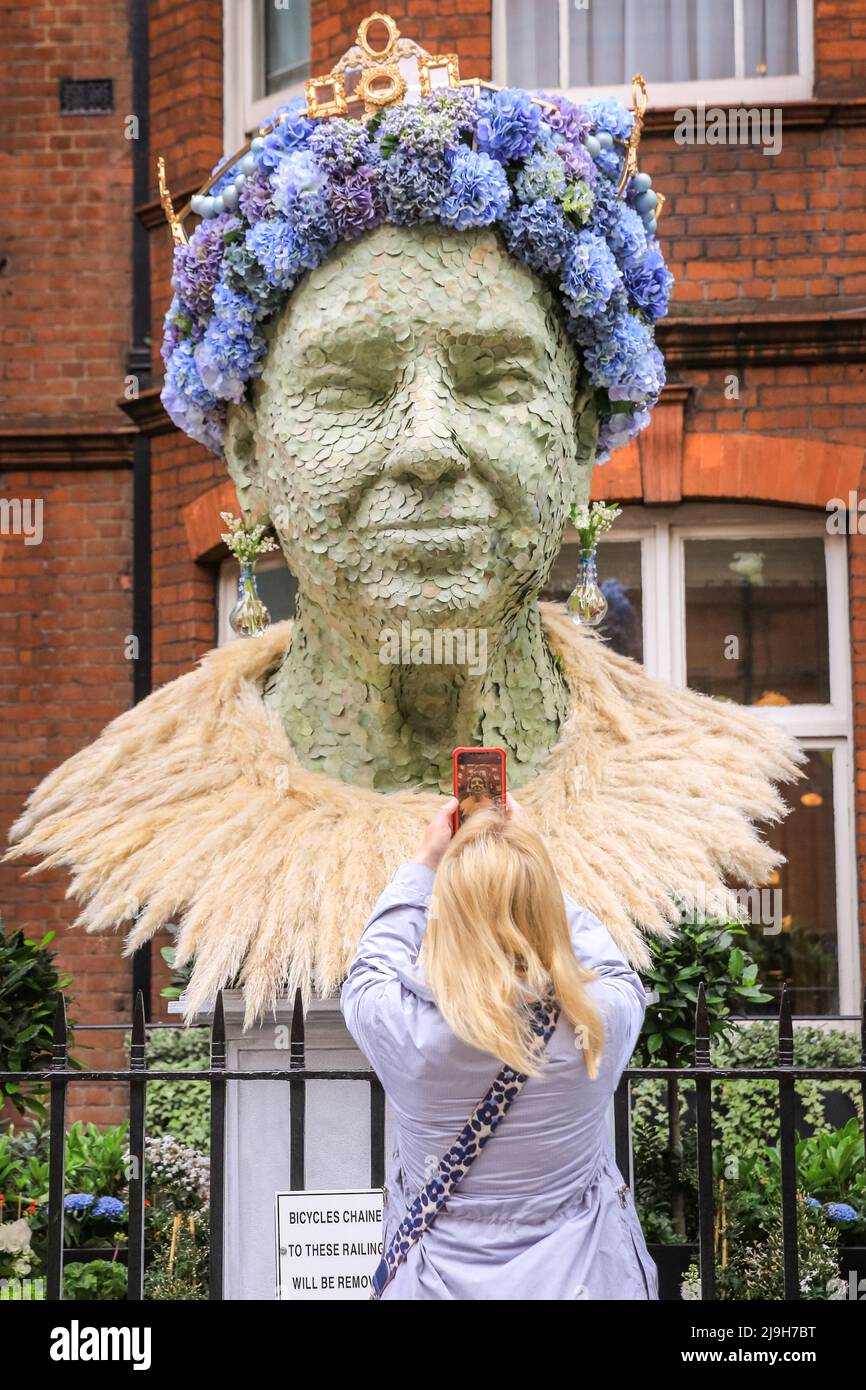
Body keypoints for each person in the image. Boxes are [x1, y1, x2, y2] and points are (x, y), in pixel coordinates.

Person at [340, 793, 659, 1301]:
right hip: (578, 1281)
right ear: (547, 908)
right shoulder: (598, 1019)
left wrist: (426, 863)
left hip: (436, 1283)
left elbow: (368, 968)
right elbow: (615, 968)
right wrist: (532, 867)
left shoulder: (400, 1023)